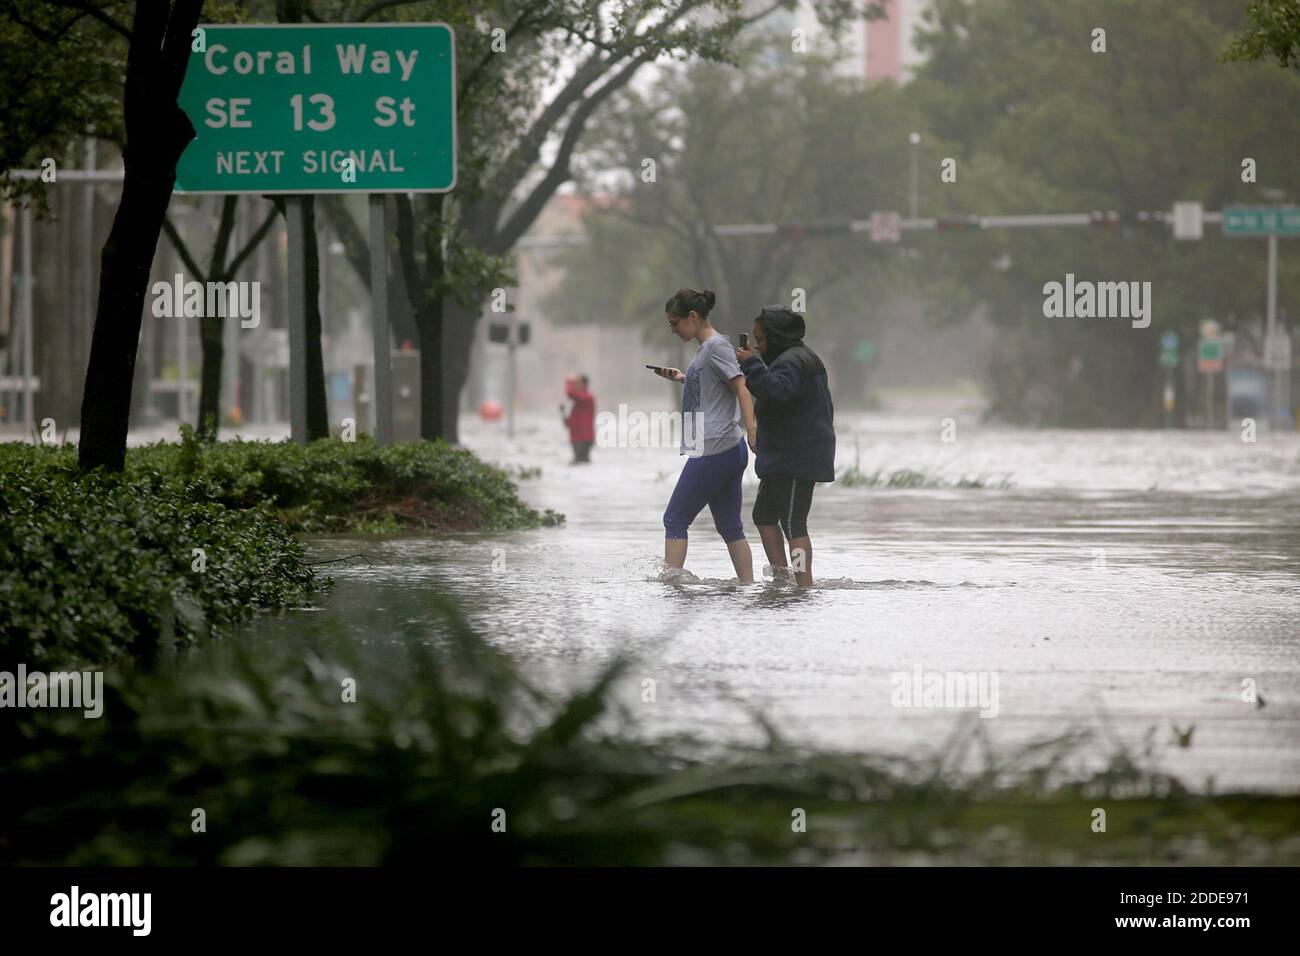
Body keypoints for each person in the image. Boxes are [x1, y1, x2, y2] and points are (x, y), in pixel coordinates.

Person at [651, 288, 757, 582]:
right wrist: (684, 378)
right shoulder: (706, 349)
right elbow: (715, 386)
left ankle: (671, 586)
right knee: (729, 526)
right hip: (724, 448)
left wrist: (752, 427)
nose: (672, 329)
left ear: (693, 317)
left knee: (675, 518)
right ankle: (748, 585)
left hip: (715, 448)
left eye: (675, 323)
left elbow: (741, 385)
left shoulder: (715, 346)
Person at [734, 305, 835, 587]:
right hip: (784, 457)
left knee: (793, 523)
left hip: (797, 458)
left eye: (761, 340)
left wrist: (751, 364)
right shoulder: (794, 359)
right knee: (764, 515)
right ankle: (781, 578)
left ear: (777, 337)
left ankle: (804, 583)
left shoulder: (793, 362)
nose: (756, 345)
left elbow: (776, 392)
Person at [563, 373, 595, 463]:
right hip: (577, 437)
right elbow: (576, 418)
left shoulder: (587, 397)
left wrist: (569, 381)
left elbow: (570, 393)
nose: (575, 385)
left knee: (581, 463)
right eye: (574, 383)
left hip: (583, 438)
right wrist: (567, 421)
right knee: (579, 463)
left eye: (577, 383)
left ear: (584, 385)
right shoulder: (579, 401)